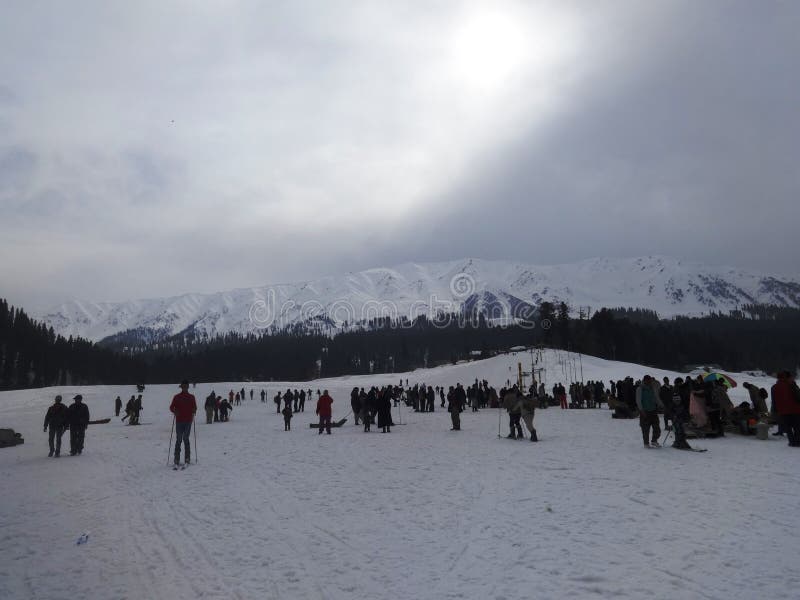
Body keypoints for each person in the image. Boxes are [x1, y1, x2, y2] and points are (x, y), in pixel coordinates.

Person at [170, 380, 197, 466]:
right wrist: (174, 410)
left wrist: (194, 410)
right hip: (179, 421)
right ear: (181, 387)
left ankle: (187, 458)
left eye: (186, 386)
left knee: (185, 438)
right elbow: (171, 407)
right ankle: (176, 458)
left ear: (187, 387)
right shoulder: (177, 397)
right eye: (183, 387)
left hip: (188, 420)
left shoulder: (191, 397)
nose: (184, 388)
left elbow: (195, 407)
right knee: (179, 439)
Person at [772, 371, 800, 446]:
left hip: (782, 411)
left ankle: (792, 442)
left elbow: (774, 400)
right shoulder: (791, 384)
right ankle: (797, 442)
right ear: (788, 377)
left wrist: (775, 411)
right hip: (795, 410)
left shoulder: (774, 387)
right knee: (797, 427)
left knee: (788, 428)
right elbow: (798, 397)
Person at [635, 375, 662, 448]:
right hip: (645, 411)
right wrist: (641, 410)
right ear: (644, 380)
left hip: (653, 410)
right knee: (645, 429)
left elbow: (656, 398)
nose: (650, 382)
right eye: (648, 380)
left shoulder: (653, 388)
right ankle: (646, 443)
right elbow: (638, 401)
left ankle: (654, 441)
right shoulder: (640, 389)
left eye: (650, 380)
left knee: (657, 428)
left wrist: (661, 405)